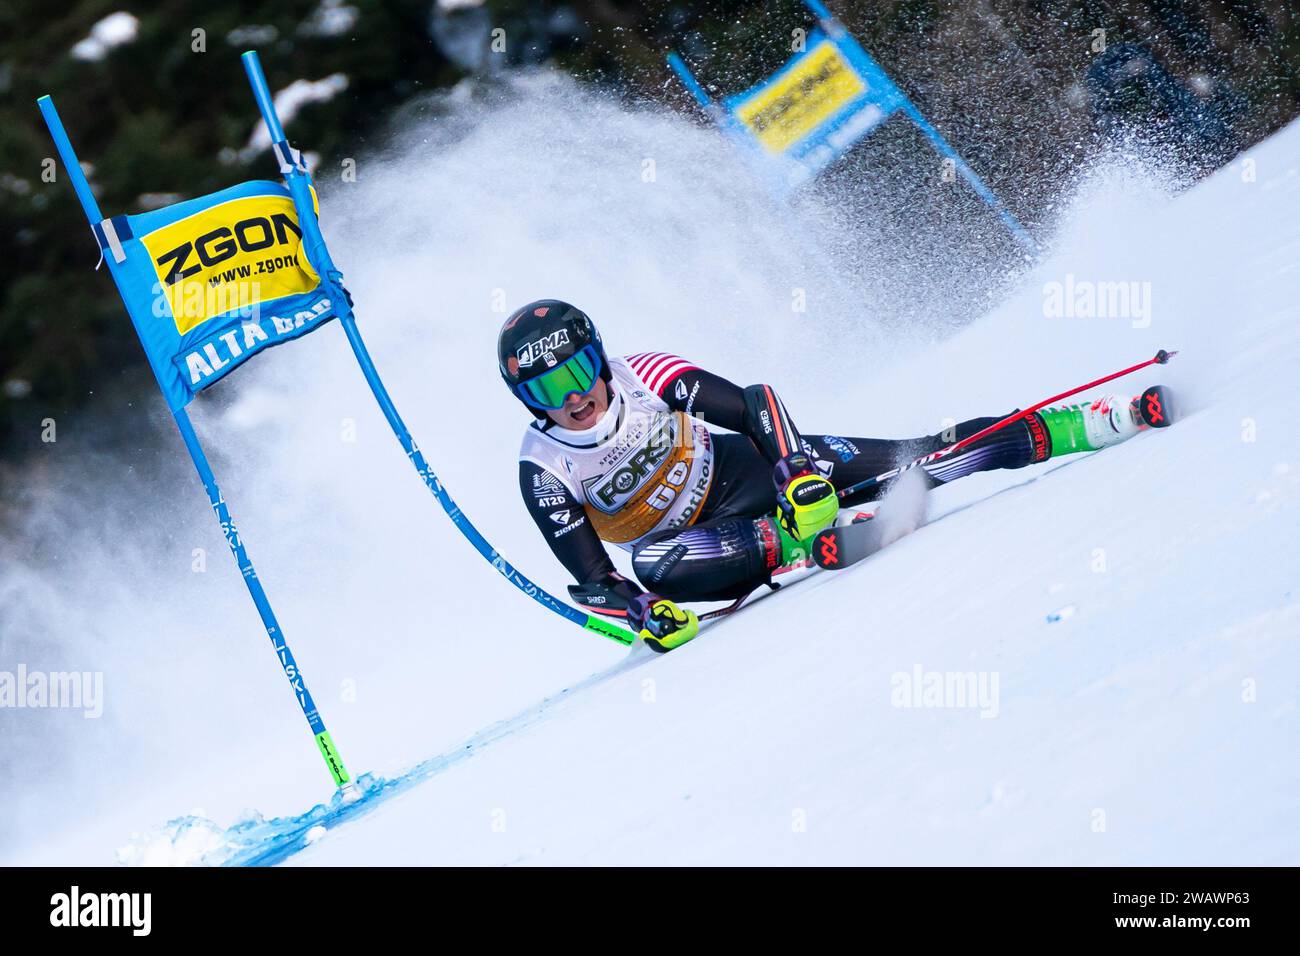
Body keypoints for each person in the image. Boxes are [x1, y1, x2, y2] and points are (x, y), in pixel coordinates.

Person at [501, 300, 1161, 651]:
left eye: (579, 371)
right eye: (549, 389)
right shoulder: (544, 468)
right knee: (654, 561)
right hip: (705, 552)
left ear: (598, 358)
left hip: (746, 474)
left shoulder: (644, 374)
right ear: (529, 401)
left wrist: (794, 474)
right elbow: (597, 581)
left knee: (923, 458)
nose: (573, 396)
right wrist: (646, 614)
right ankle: (794, 544)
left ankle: (1090, 423)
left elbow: (753, 404)